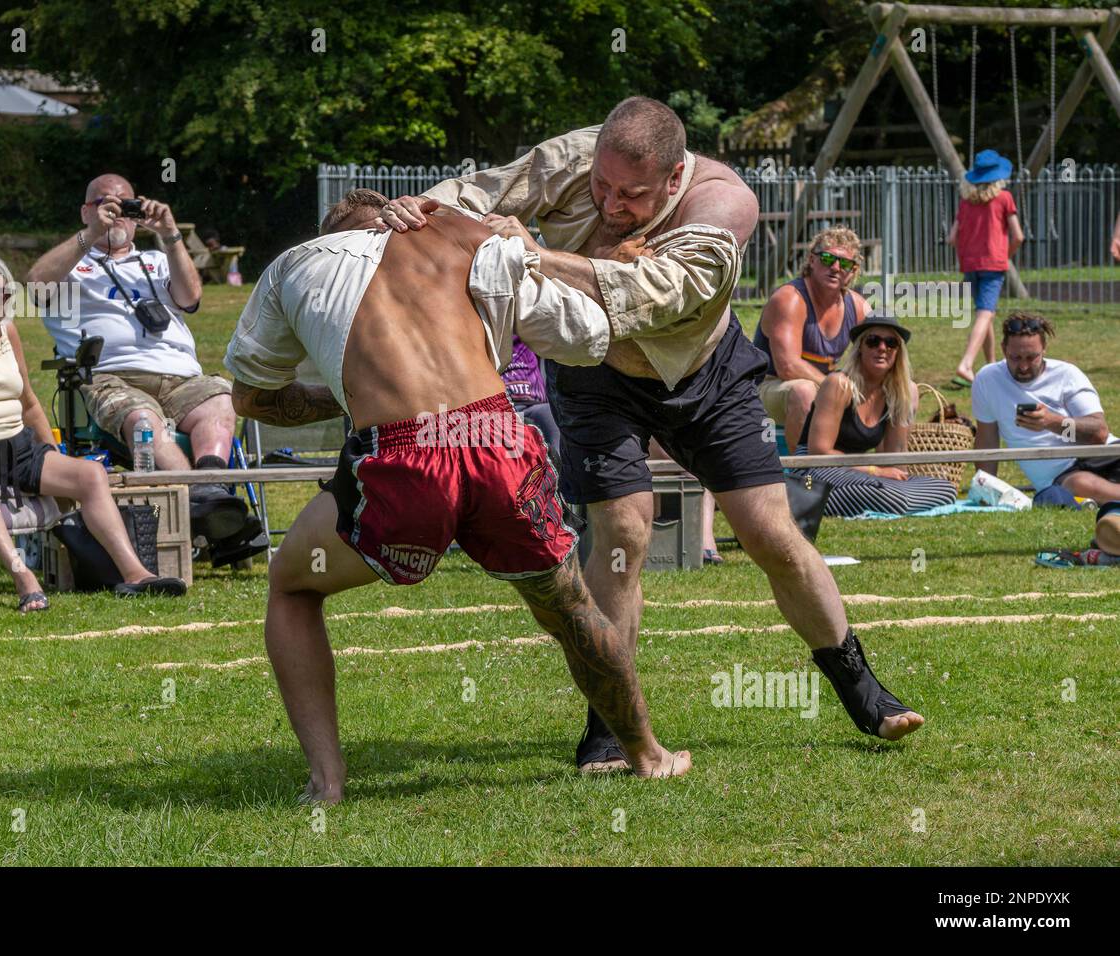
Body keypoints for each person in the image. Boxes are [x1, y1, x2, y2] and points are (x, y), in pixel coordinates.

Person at [380, 97, 923, 769]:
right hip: (595, 371)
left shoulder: (724, 205)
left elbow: (655, 291)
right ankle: (610, 727)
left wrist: (534, 257)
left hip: (707, 372)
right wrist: (415, 207)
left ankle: (861, 689)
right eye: (601, 186)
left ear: (672, 179)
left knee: (771, 535)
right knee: (624, 534)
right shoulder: (579, 158)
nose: (609, 203)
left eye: (630, 194)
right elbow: (479, 189)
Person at [226, 188, 713, 802]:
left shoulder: (296, 264)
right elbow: (585, 336)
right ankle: (647, 754)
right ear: (396, 213)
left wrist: (344, 399)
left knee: (293, 585)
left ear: (332, 231)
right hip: (496, 435)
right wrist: (523, 255)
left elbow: (251, 398)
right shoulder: (460, 230)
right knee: (569, 607)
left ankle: (327, 783)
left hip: (402, 452)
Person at [0, 251, 187, 611]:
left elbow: (28, 402)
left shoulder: (7, 330)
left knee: (88, 474)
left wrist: (51, 453)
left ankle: (136, 574)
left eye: (1, 294)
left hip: (12, 445)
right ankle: (24, 578)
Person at [27, 173, 251, 549]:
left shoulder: (156, 260)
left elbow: (190, 298)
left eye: (126, 206)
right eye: (104, 205)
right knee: (144, 421)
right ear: (86, 211)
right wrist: (91, 234)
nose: (117, 215)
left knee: (221, 401)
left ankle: (210, 490)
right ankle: (203, 504)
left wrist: (170, 234)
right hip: (111, 378)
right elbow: (35, 286)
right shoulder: (72, 266)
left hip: (180, 378)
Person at [791, 316, 956, 517]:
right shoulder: (839, 384)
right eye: (873, 341)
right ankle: (814, 499)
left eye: (891, 342)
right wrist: (875, 472)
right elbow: (819, 451)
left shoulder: (900, 391)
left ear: (898, 352)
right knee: (880, 492)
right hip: (813, 469)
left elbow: (896, 454)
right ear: (860, 347)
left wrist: (898, 479)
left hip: (857, 471)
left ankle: (883, 499)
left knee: (946, 488)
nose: (882, 348)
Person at [973, 312, 1120, 502]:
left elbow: (1098, 434)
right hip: (1064, 474)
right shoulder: (988, 380)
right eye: (1015, 358)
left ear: (1044, 348)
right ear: (1003, 349)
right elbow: (987, 440)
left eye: (1031, 357)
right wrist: (986, 488)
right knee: (1081, 484)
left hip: (1103, 453)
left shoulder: (1067, 375)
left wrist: (1051, 422)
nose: (1024, 366)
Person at [754, 226, 868, 446]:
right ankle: (804, 475)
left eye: (844, 264)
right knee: (804, 391)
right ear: (811, 260)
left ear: (853, 272)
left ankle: (884, 474)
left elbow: (876, 354)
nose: (835, 268)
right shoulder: (790, 298)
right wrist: (836, 390)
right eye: (827, 259)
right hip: (765, 388)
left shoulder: (858, 306)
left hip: (819, 388)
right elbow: (788, 367)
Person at [947, 149, 1024, 389]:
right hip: (993, 264)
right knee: (985, 314)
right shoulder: (1004, 198)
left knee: (984, 314)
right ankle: (966, 364)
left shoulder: (965, 202)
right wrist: (1005, 255)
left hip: (970, 263)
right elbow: (1018, 236)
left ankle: (991, 365)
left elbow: (951, 237)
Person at [501, 335, 560, 461]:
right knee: (514, 459)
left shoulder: (522, 325)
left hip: (535, 404)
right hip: (503, 408)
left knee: (554, 419)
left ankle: (560, 476)